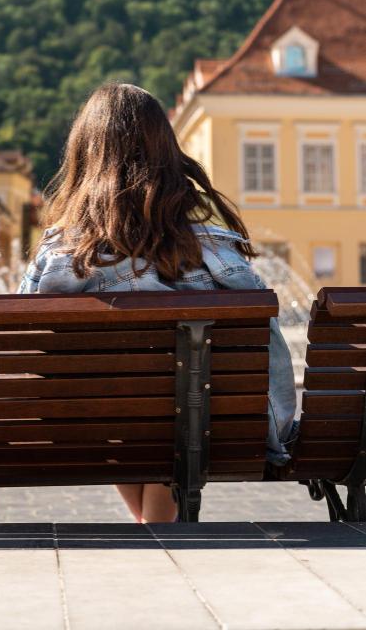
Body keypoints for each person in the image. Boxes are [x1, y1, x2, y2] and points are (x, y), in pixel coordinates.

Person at [18, 82, 297, 523]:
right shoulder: (217, 252)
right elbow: (273, 355)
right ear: (168, 154)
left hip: (89, 425)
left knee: (122, 412)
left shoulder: (58, 256)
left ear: (84, 157)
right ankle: (157, 530)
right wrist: (278, 431)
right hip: (211, 428)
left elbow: (25, 351)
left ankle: (153, 529)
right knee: (179, 411)